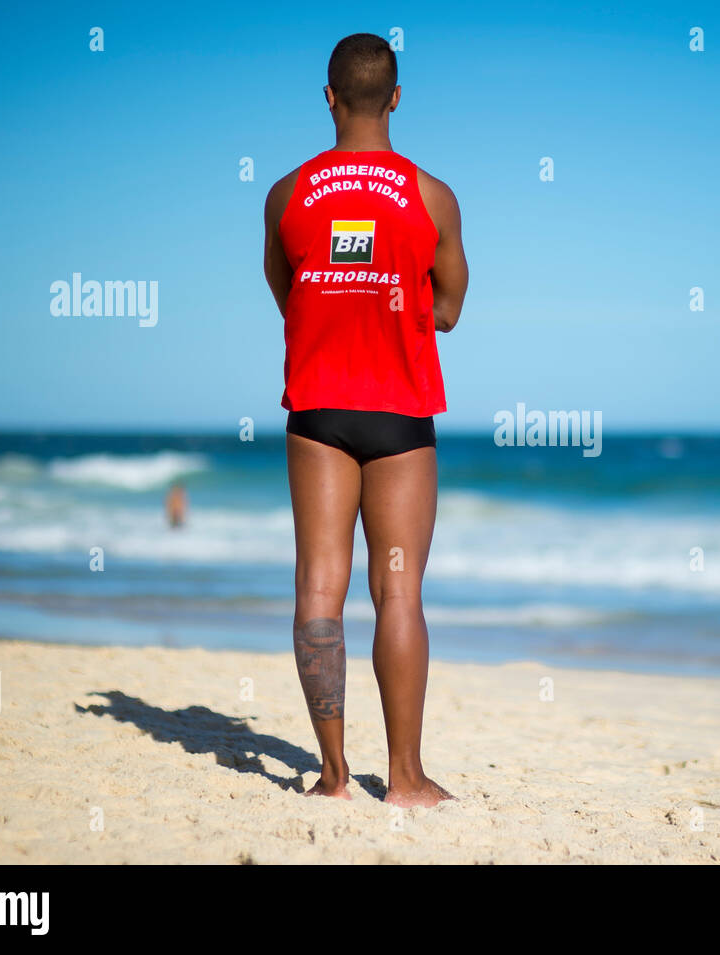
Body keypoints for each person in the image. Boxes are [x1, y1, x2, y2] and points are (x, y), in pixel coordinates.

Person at [263, 34, 468, 808]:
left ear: (327, 98)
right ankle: (407, 779)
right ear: (397, 96)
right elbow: (447, 309)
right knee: (400, 591)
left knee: (319, 585)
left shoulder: (285, 194)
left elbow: (289, 293)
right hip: (400, 412)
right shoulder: (431, 195)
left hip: (318, 408)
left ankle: (334, 774)